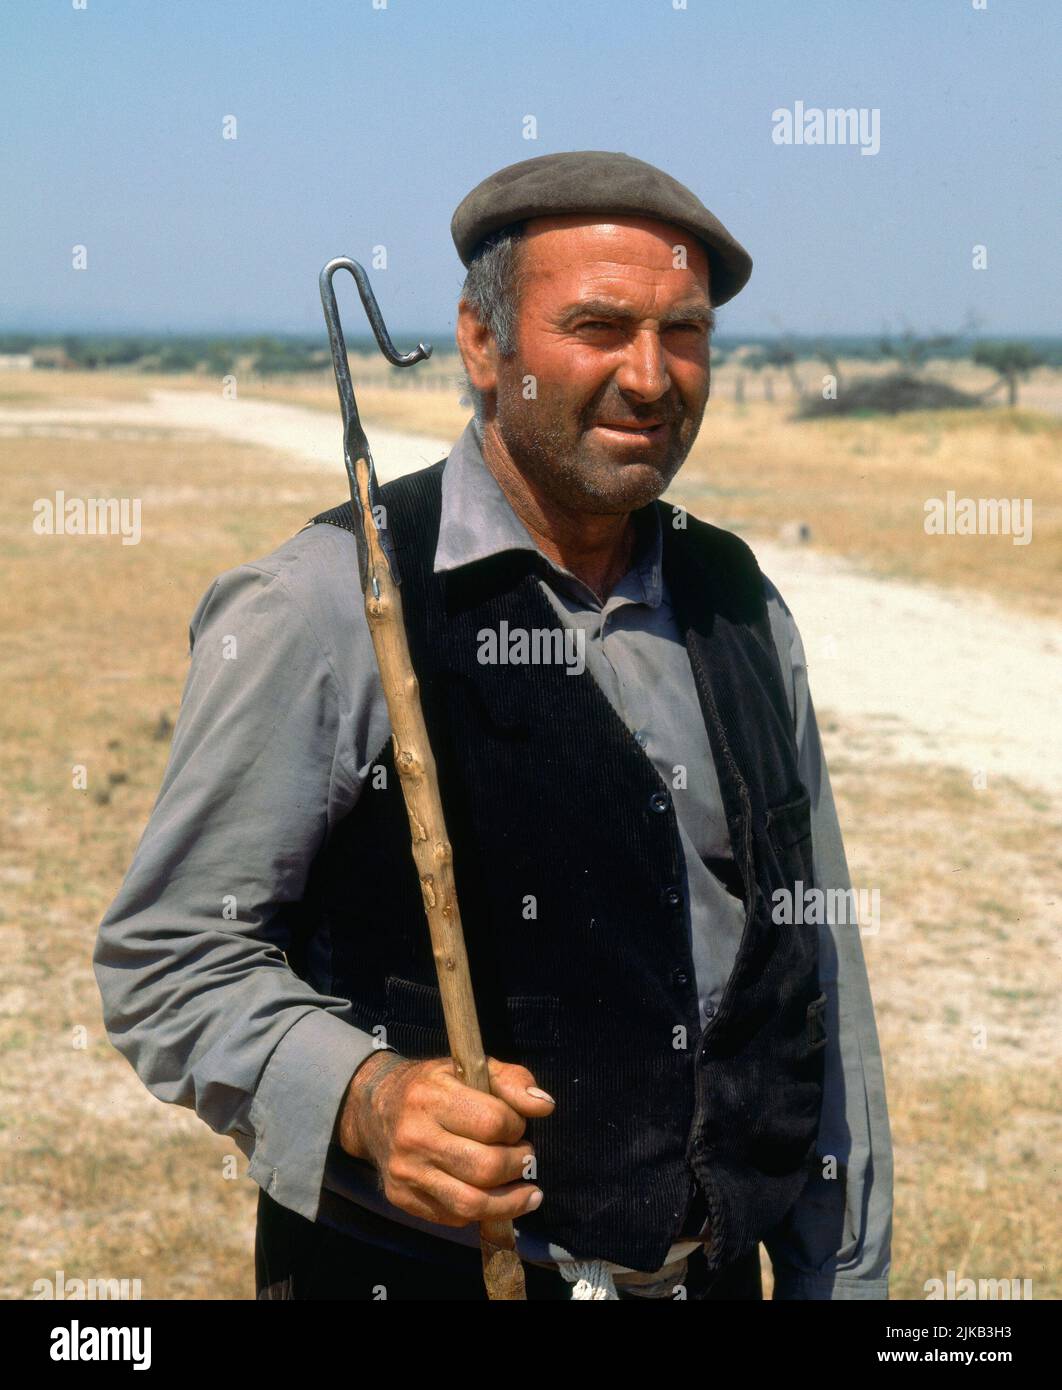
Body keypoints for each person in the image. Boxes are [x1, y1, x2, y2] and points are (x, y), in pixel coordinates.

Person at [93, 150, 892, 1301]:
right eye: (599, 326)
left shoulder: (741, 604)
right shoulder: (331, 601)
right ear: (481, 344)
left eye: (685, 333)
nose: (652, 376)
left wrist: (844, 1283)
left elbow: (819, 981)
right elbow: (170, 955)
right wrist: (366, 1098)